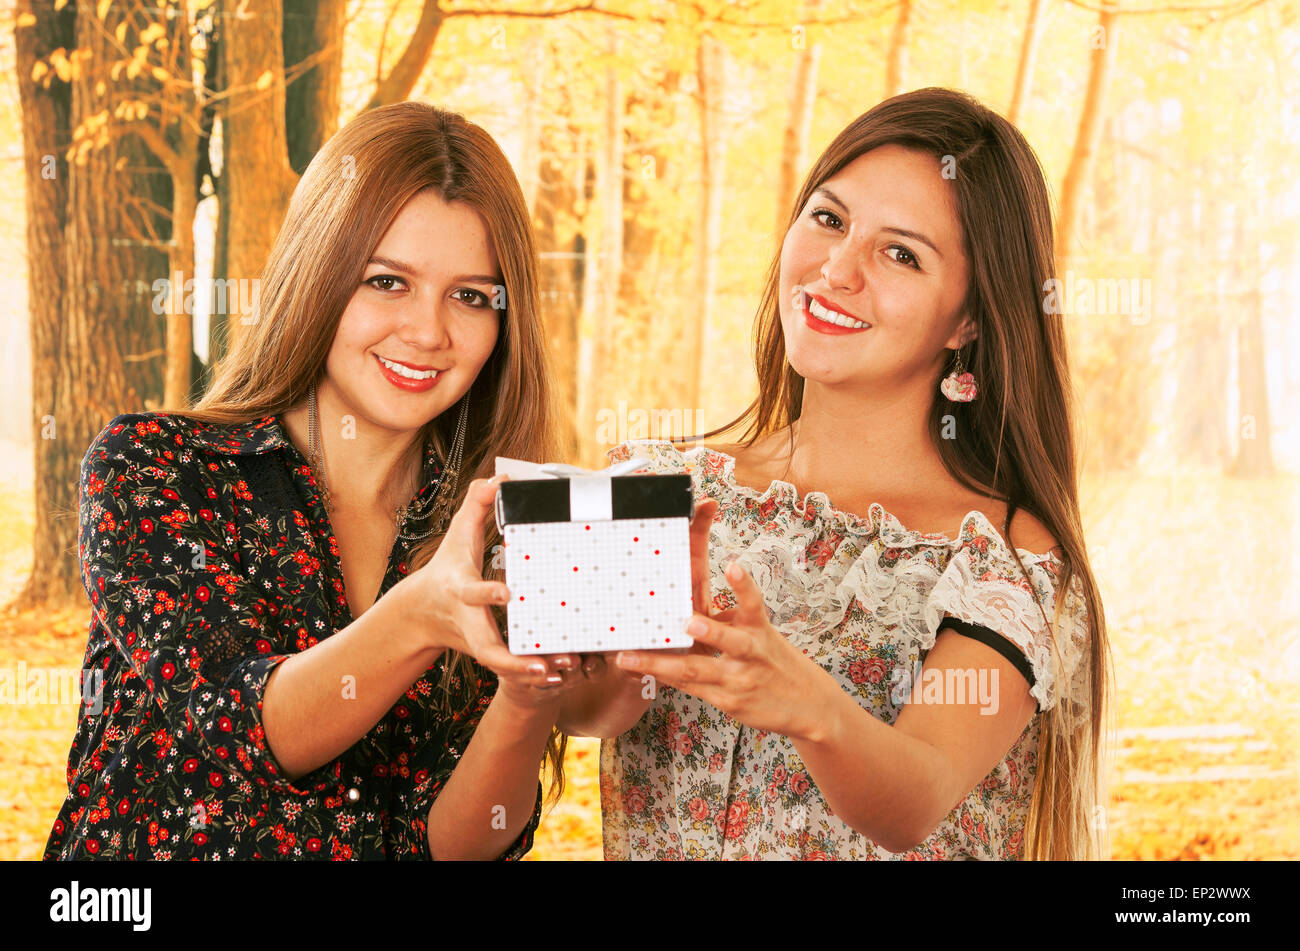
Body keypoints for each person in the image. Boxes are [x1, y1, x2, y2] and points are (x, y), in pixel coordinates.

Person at [559, 87, 1110, 860]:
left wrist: (809, 703)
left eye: (900, 253)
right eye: (829, 218)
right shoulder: (659, 489)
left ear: (969, 321)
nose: (836, 268)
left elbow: (919, 794)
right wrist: (550, 664)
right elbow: (591, 713)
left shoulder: (1002, 555)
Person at [44, 101, 593, 861]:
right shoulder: (153, 469)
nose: (429, 331)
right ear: (318, 273)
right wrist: (420, 616)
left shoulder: (490, 531)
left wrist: (530, 691)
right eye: (387, 281)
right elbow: (245, 728)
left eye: (470, 295)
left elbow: (460, 844)